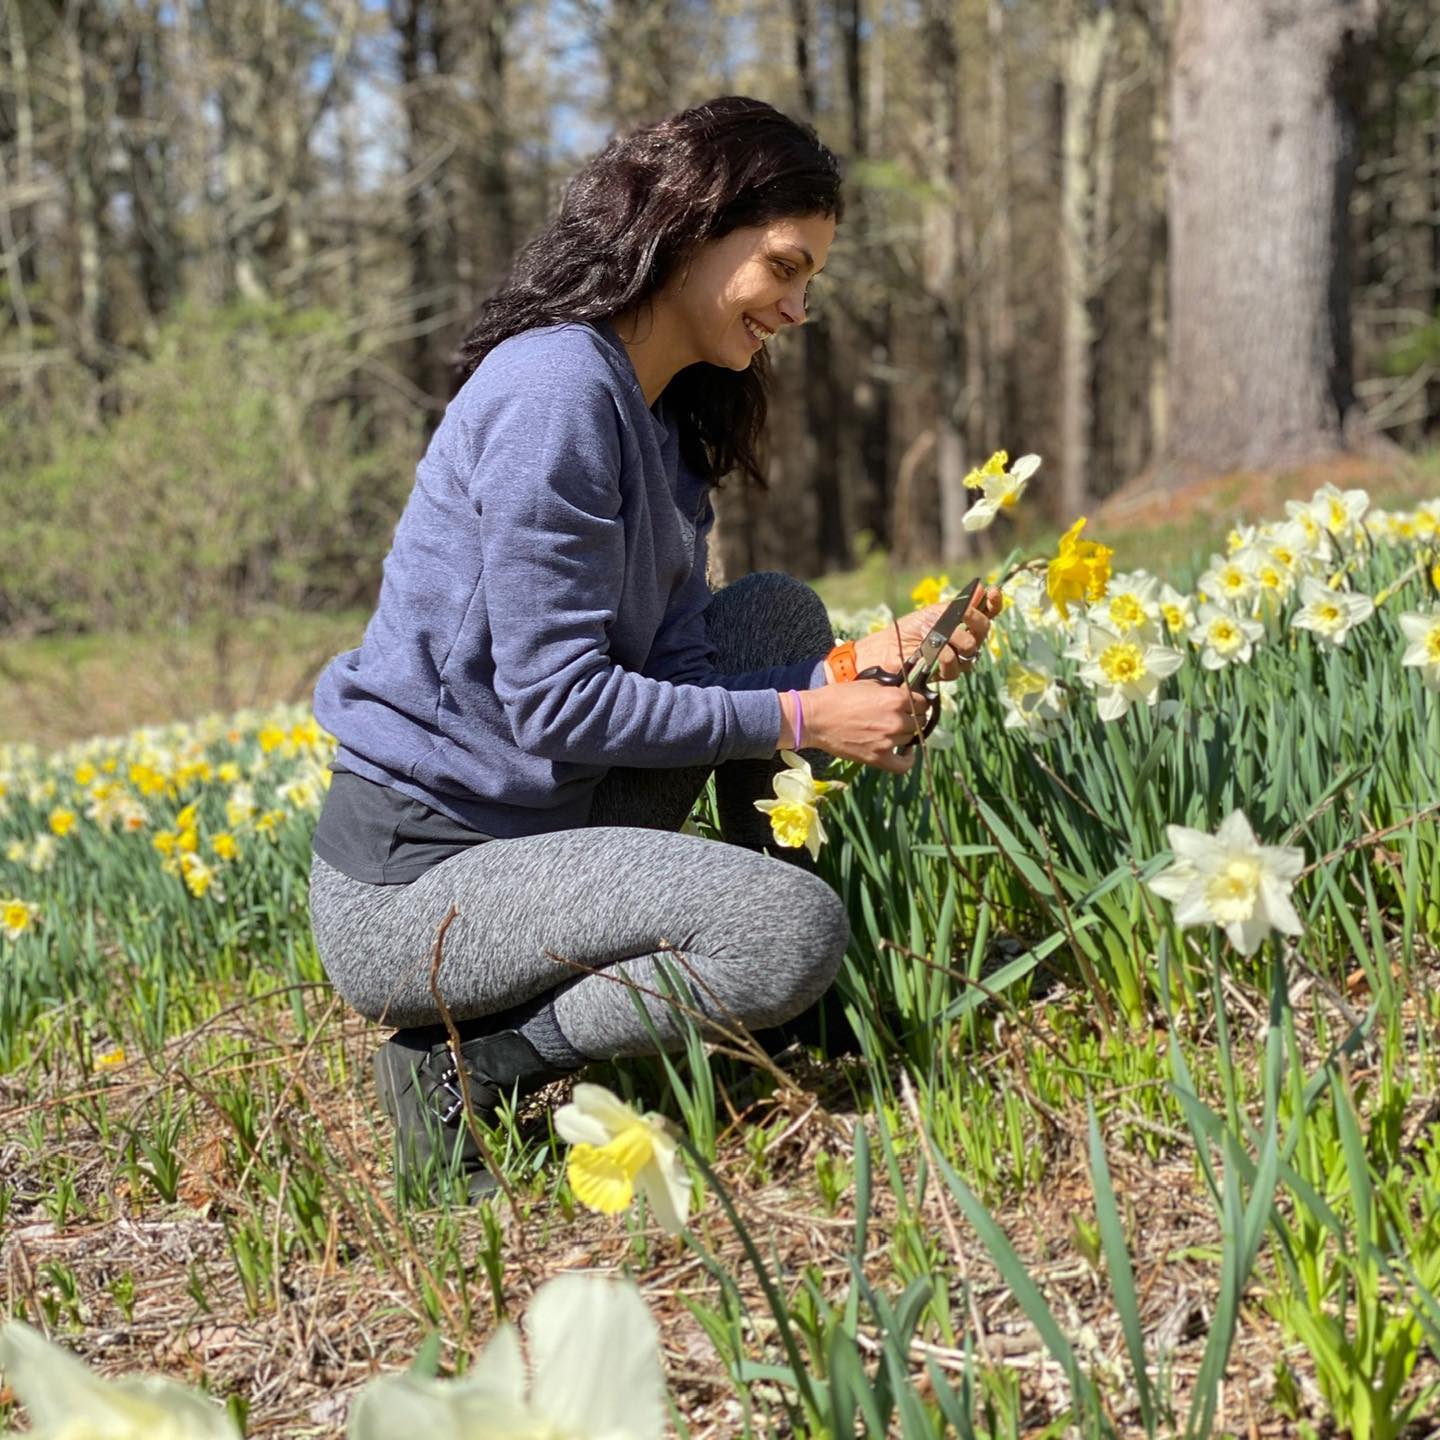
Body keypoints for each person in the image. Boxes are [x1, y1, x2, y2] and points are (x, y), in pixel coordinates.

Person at [307, 95, 1001, 1201]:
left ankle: (746, 1030)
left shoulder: (664, 418)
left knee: (775, 615)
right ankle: (470, 1062)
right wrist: (807, 720)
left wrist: (856, 667)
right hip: (420, 888)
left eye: (810, 277)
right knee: (790, 933)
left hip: (550, 824)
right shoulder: (556, 394)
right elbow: (559, 704)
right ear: (690, 226)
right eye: (783, 265)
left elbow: (679, 679)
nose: (800, 306)